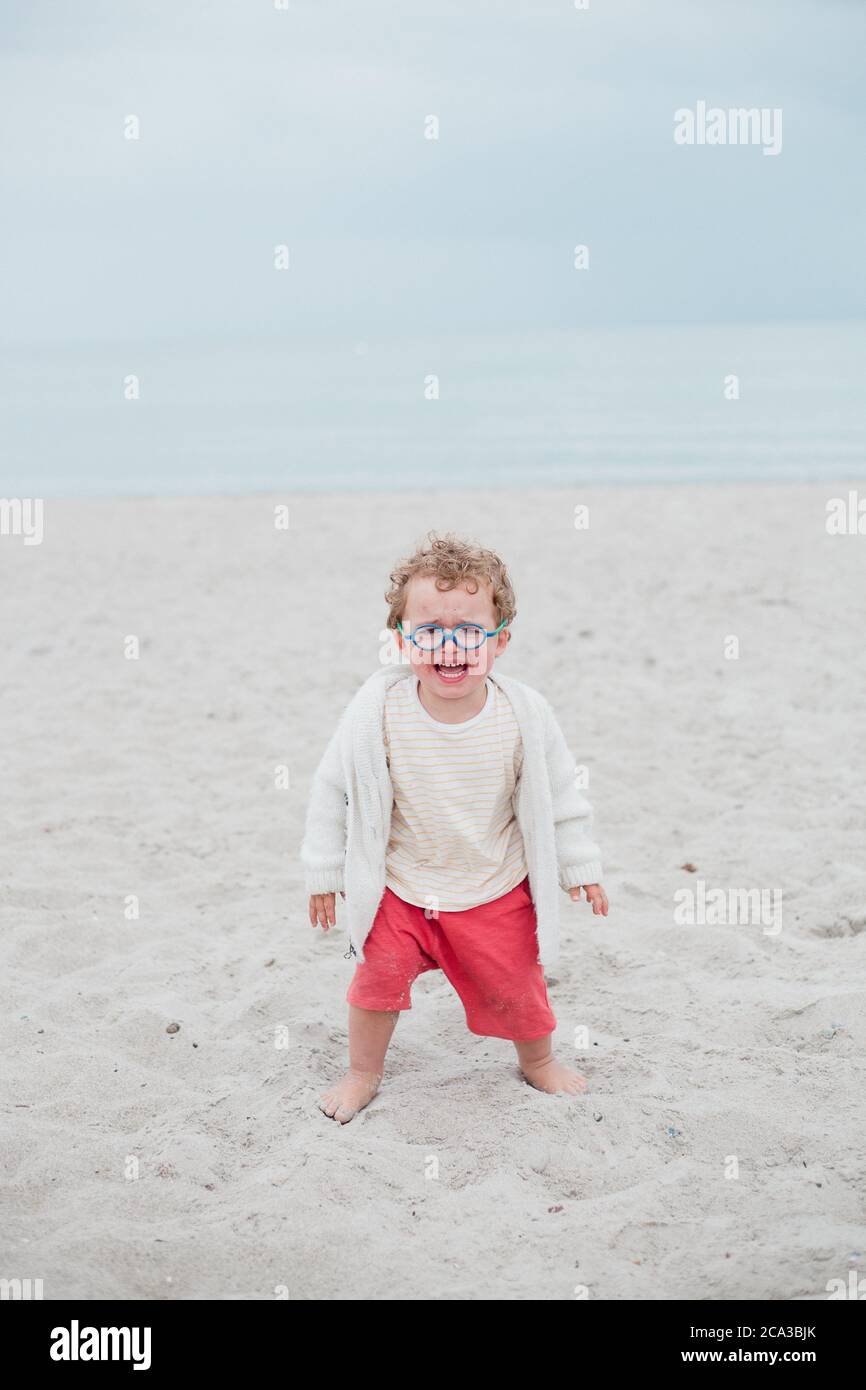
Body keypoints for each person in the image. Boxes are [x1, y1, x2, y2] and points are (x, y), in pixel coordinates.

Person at [301, 531, 608, 1123]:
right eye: (429, 632)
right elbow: (331, 788)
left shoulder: (522, 714)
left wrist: (579, 866)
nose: (450, 647)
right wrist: (323, 871)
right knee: (375, 983)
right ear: (399, 641)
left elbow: (561, 794)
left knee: (520, 989)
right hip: (403, 887)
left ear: (500, 641)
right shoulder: (376, 712)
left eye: (469, 632)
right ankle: (363, 1072)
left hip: (493, 884)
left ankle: (538, 1061)